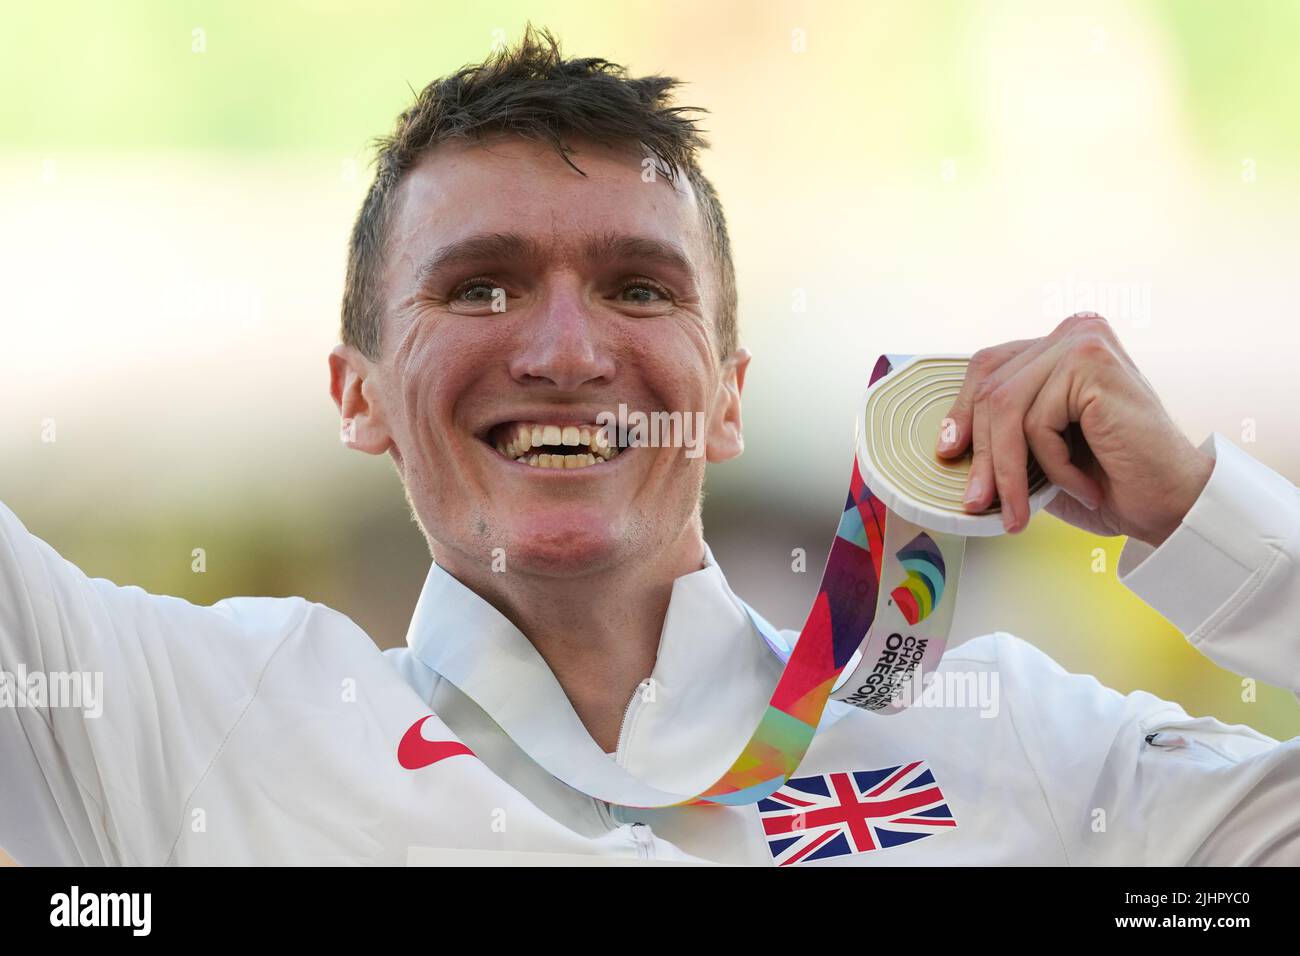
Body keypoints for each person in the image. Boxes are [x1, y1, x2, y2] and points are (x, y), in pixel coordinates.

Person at [1, 27, 1297, 866]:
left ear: (726, 395)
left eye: (636, 288)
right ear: (360, 398)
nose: (566, 351)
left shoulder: (1017, 743)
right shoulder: (174, 721)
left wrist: (1205, 517)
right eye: (482, 287)